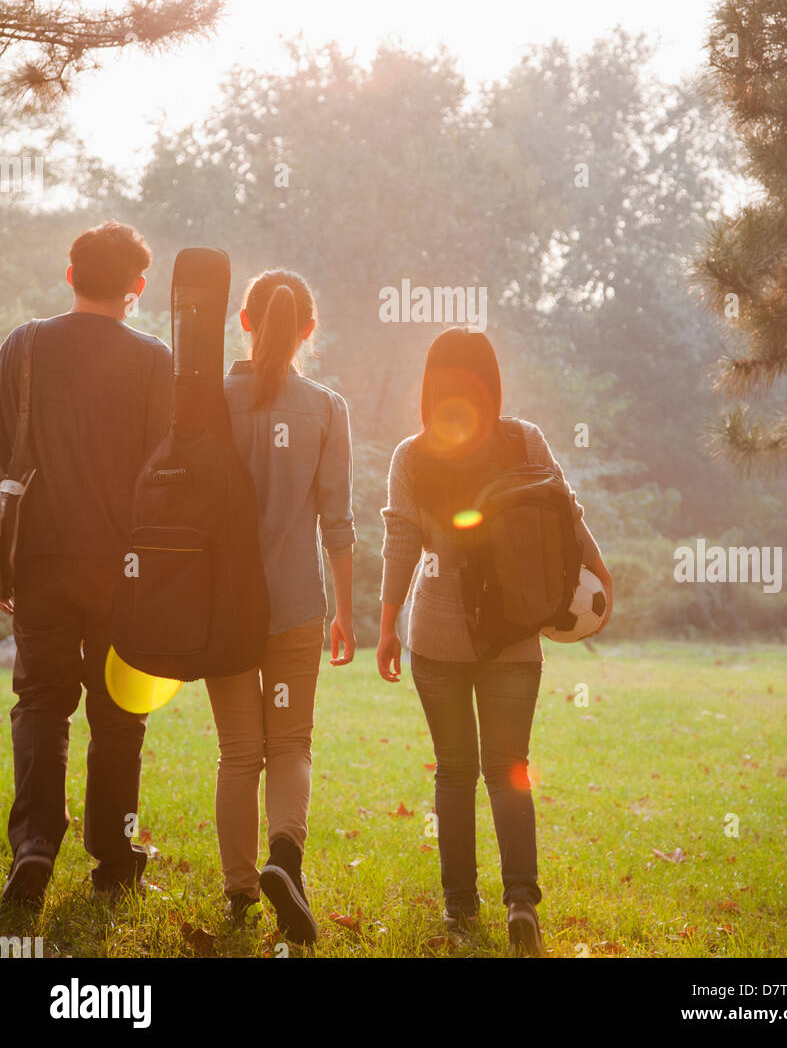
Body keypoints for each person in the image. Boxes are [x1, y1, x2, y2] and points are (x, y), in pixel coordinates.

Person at [376, 327, 612, 956]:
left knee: (454, 772)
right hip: (513, 633)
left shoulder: (412, 454)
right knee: (510, 771)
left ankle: (460, 910)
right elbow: (570, 514)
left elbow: (401, 539)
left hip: (438, 632)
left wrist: (385, 624)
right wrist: (598, 573)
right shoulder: (522, 439)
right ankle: (522, 904)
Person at [0, 221, 172, 906]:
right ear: (136, 287)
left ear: (70, 276)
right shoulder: (155, 360)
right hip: (125, 568)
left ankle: (35, 844)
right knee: (120, 713)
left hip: (39, 558)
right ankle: (114, 855)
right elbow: (167, 470)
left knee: (40, 701)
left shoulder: (25, 346)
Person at [206, 269, 356, 945]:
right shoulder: (326, 408)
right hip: (297, 606)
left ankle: (241, 892)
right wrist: (345, 611)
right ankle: (284, 859)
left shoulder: (207, 401)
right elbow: (339, 524)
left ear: (244, 320)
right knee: (291, 743)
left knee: (239, 753)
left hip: (222, 610)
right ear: (308, 329)